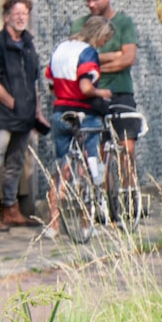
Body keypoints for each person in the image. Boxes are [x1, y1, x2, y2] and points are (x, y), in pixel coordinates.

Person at [0, 0, 45, 232]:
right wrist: (14, 104)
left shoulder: (28, 43)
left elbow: (34, 81)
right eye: (17, 14)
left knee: (15, 164)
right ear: (6, 17)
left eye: (24, 13)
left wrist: (37, 111)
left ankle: (11, 210)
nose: (21, 17)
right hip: (3, 117)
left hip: (26, 117)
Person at [41, 18, 114, 241]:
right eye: (104, 39)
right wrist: (102, 93)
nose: (103, 44)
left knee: (61, 168)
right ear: (99, 35)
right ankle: (85, 224)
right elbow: (86, 87)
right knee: (87, 169)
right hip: (84, 114)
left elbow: (51, 84)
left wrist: (65, 94)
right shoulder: (88, 53)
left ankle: (53, 225)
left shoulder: (61, 49)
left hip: (60, 112)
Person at [78, 0, 140, 155]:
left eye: (96, 0)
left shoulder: (124, 22)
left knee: (127, 146)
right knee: (96, 148)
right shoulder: (81, 24)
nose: (91, 4)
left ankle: (126, 175)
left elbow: (128, 58)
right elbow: (77, 58)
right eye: (88, 0)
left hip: (120, 91)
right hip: (90, 92)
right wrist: (114, 55)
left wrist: (92, 68)